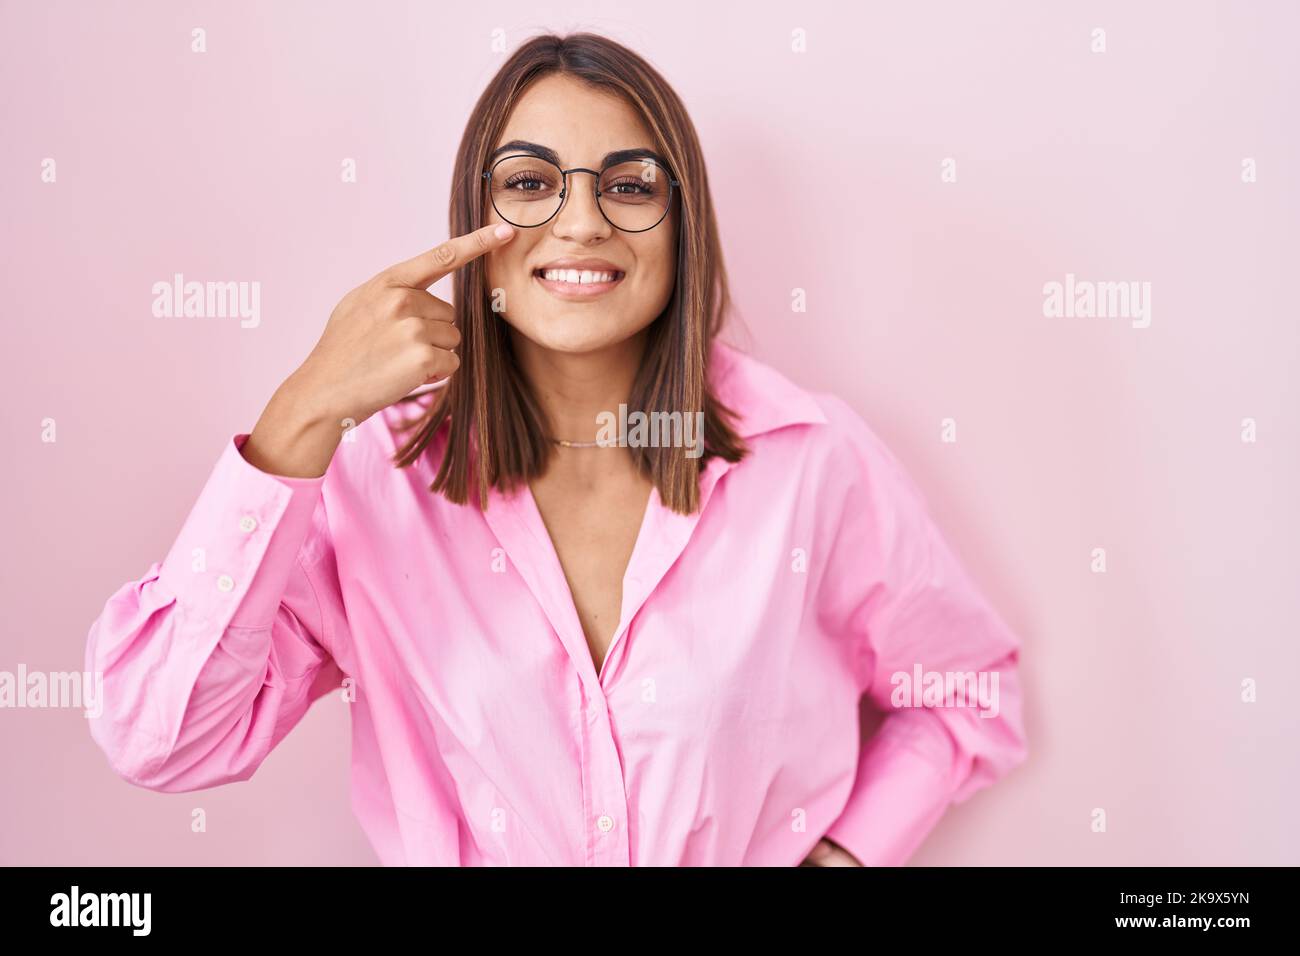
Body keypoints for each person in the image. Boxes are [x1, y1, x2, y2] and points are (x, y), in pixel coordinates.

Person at [84, 32, 1028, 866]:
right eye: (531, 184)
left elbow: (964, 693)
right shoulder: (376, 482)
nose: (582, 223)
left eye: (628, 185)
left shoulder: (811, 463)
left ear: (682, 223)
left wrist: (846, 856)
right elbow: (160, 740)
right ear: (474, 225)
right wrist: (303, 413)